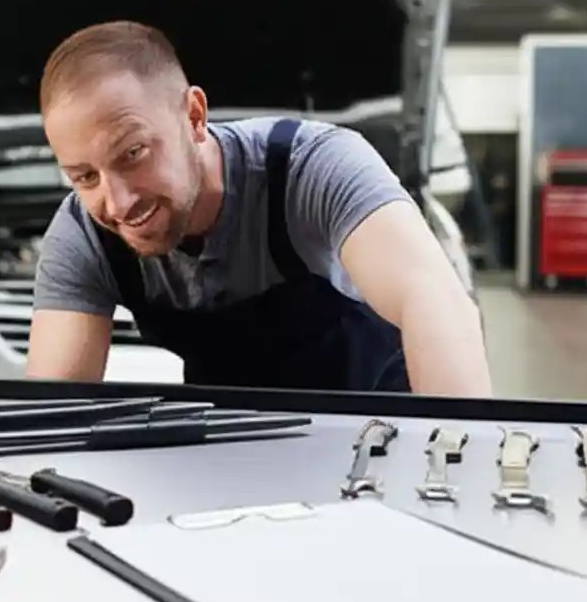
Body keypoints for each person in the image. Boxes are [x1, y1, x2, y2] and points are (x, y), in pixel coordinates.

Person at [25, 20, 492, 397]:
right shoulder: (84, 233)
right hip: (237, 444)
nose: (118, 202)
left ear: (194, 117)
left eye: (133, 153)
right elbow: (51, 406)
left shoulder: (314, 167)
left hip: (376, 433)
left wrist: (452, 461)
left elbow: (433, 299)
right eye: (85, 176)